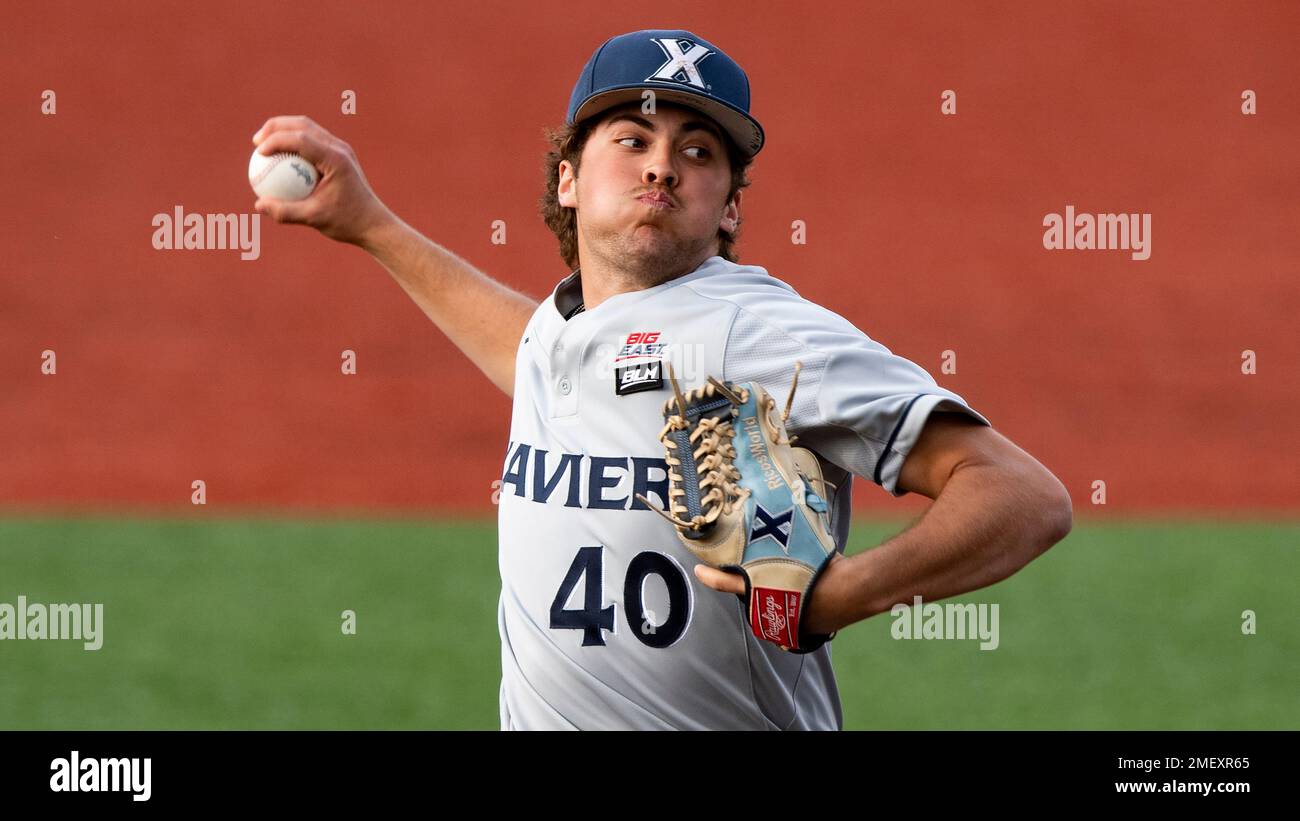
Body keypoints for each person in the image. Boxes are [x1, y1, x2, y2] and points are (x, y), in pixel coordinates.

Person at [251, 29, 1073, 730]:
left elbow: (1023, 496)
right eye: (633, 141)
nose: (661, 168)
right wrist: (370, 225)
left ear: (730, 210)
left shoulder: (757, 331)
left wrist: (843, 593)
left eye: (697, 151)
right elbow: (528, 349)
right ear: (568, 179)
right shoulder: (566, 330)